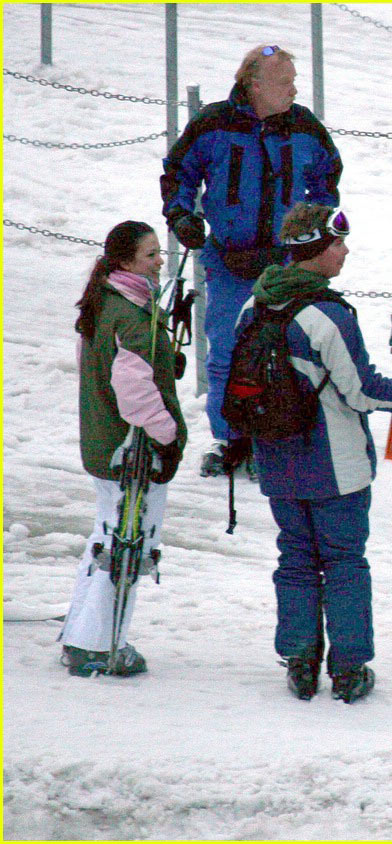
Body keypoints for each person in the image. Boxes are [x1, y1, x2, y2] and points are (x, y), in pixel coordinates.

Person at [238, 202, 392, 703]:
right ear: (314, 250)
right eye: (337, 243)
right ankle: (348, 668)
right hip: (333, 466)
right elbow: (362, 392)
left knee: (295, 559)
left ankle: (300, 661)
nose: (345, 251)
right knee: (343, 562)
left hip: (277, 461)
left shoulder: (254, 305)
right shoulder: (327, 316)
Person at [160, 44, 343, 477]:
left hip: (287, 265)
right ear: (254, 85)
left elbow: (328, 179)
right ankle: (231, 440)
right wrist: (181, 216)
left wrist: (311, 233)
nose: (294, 90)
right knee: (226, 352)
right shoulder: (213, 124)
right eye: (285, 82)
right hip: (229, 261)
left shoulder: (305, 128)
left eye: (294, 82)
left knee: (290, 351)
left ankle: (281, 437)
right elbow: (179, 173)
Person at [59, 221, 188, 676]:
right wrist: (168, 437)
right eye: (151, 255)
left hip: (105, 443)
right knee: (126, 545)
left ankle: (80, 633)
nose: (160, 261)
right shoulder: (130, 316)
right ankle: (97, 645)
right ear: (126, 261)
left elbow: (99, 365)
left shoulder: (107, 301)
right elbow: (134, 396)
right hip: (130, 451)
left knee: (107, 533)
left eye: (159, 252)